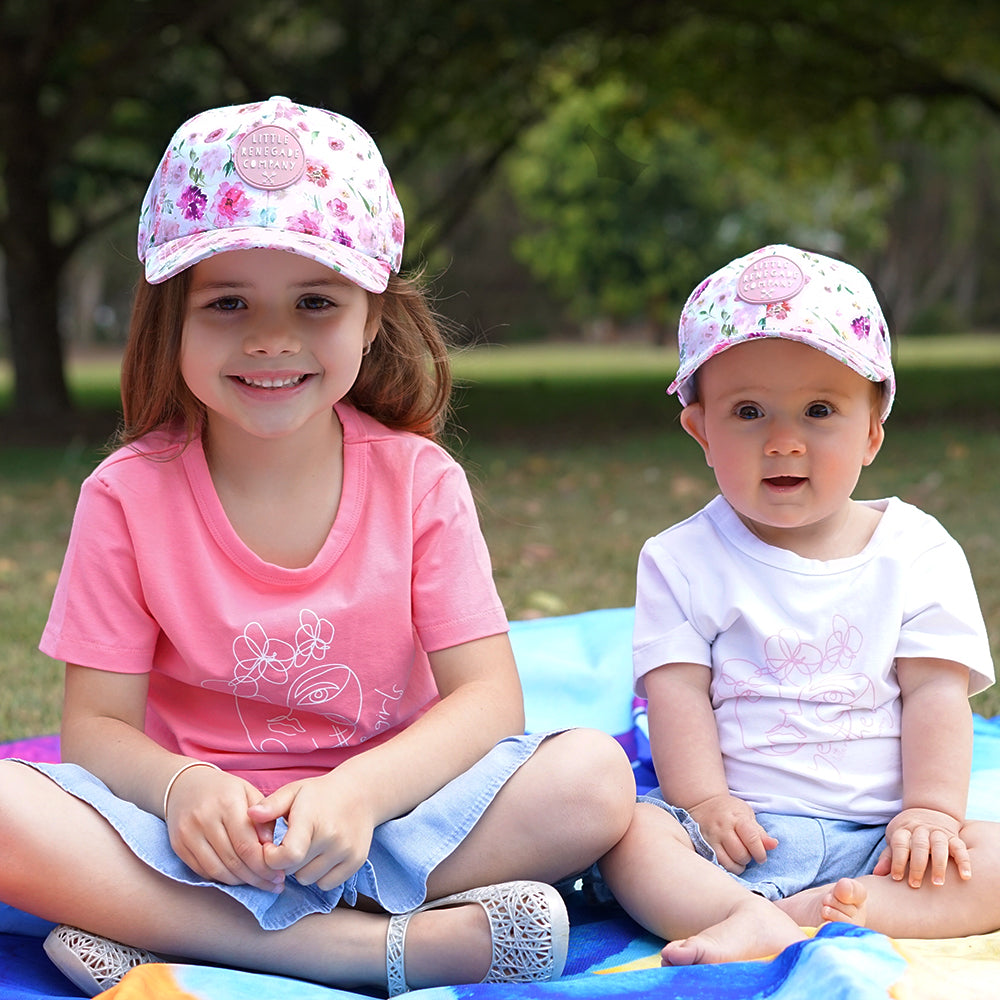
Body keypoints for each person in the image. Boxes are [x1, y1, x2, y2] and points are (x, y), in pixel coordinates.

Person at [0, 96, 635, 997]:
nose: (271, 338)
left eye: (314, 301)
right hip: (194, 840)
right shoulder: (125, 497)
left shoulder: (418, 481)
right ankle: (358, 949)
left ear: (371, 319)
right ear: (171, 318)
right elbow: (93, 730)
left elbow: (489, 699)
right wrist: (182, 789)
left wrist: (363, 794)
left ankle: (181, 938)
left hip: (392, 823)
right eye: (226, 302)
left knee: (593, 779)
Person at [597, 244, 1000, 966]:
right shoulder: (681, 558)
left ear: (873, 430)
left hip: (884, 839)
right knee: (630, 839)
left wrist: (932, 813)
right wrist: (704, 804)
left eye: (820, 411)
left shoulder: (917, 550)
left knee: (993, 856)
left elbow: (937, 695)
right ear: (701, 431)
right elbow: (677, 695)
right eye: (748, 412)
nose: (784, 442)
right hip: (738, 839)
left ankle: (807, 917)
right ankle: (744, 912)